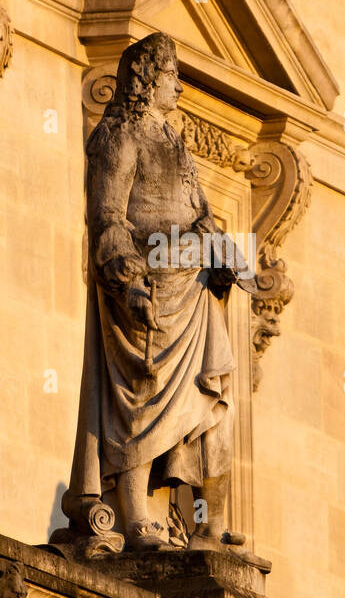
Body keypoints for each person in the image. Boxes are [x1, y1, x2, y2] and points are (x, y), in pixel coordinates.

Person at [60, 33, 254, 552]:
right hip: (151, 281)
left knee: (212, 402)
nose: (181, 88)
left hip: (190, 285)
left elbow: (200, 211)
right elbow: (107, 218)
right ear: (148, 79)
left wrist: (222, 254)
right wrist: (127, 282)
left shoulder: (174, 140)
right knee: (141, 398)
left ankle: (206, 525)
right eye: (173, 77)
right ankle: (135, 512)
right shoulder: (118, 136)